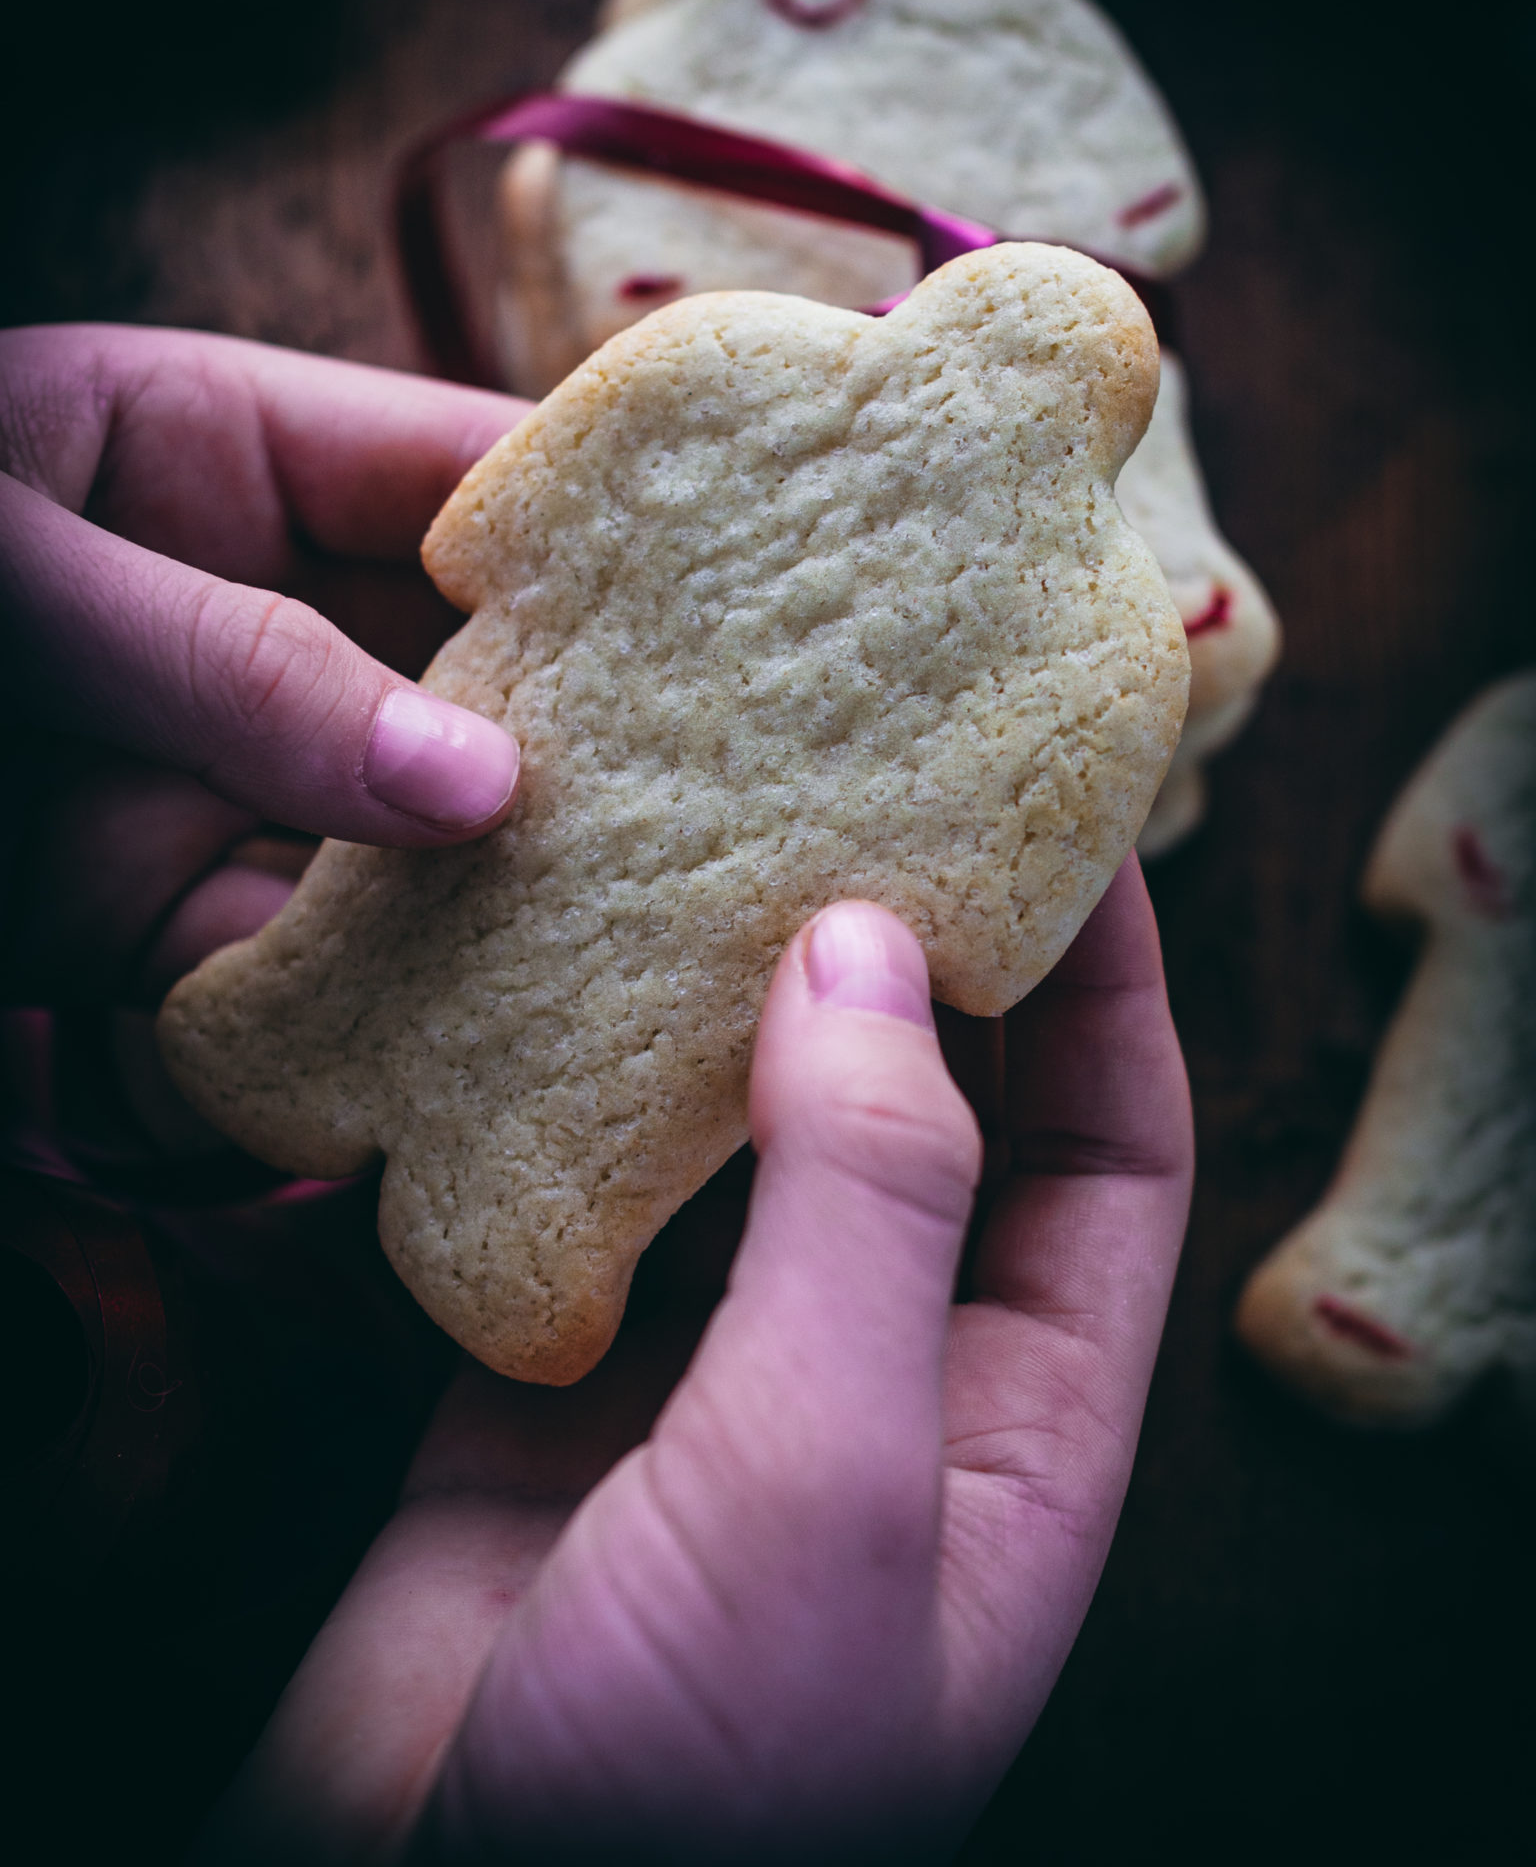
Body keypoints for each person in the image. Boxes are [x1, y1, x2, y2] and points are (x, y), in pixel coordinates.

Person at [1, 324, 1194, 1863]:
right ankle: (341, 1093)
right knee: (399, 974)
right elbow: (990, 951)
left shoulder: (771, 385)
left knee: (490, 1060)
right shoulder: (1092, 626)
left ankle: (374, 1122)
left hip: (620, 828)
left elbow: (487, 530)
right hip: (533, 764)